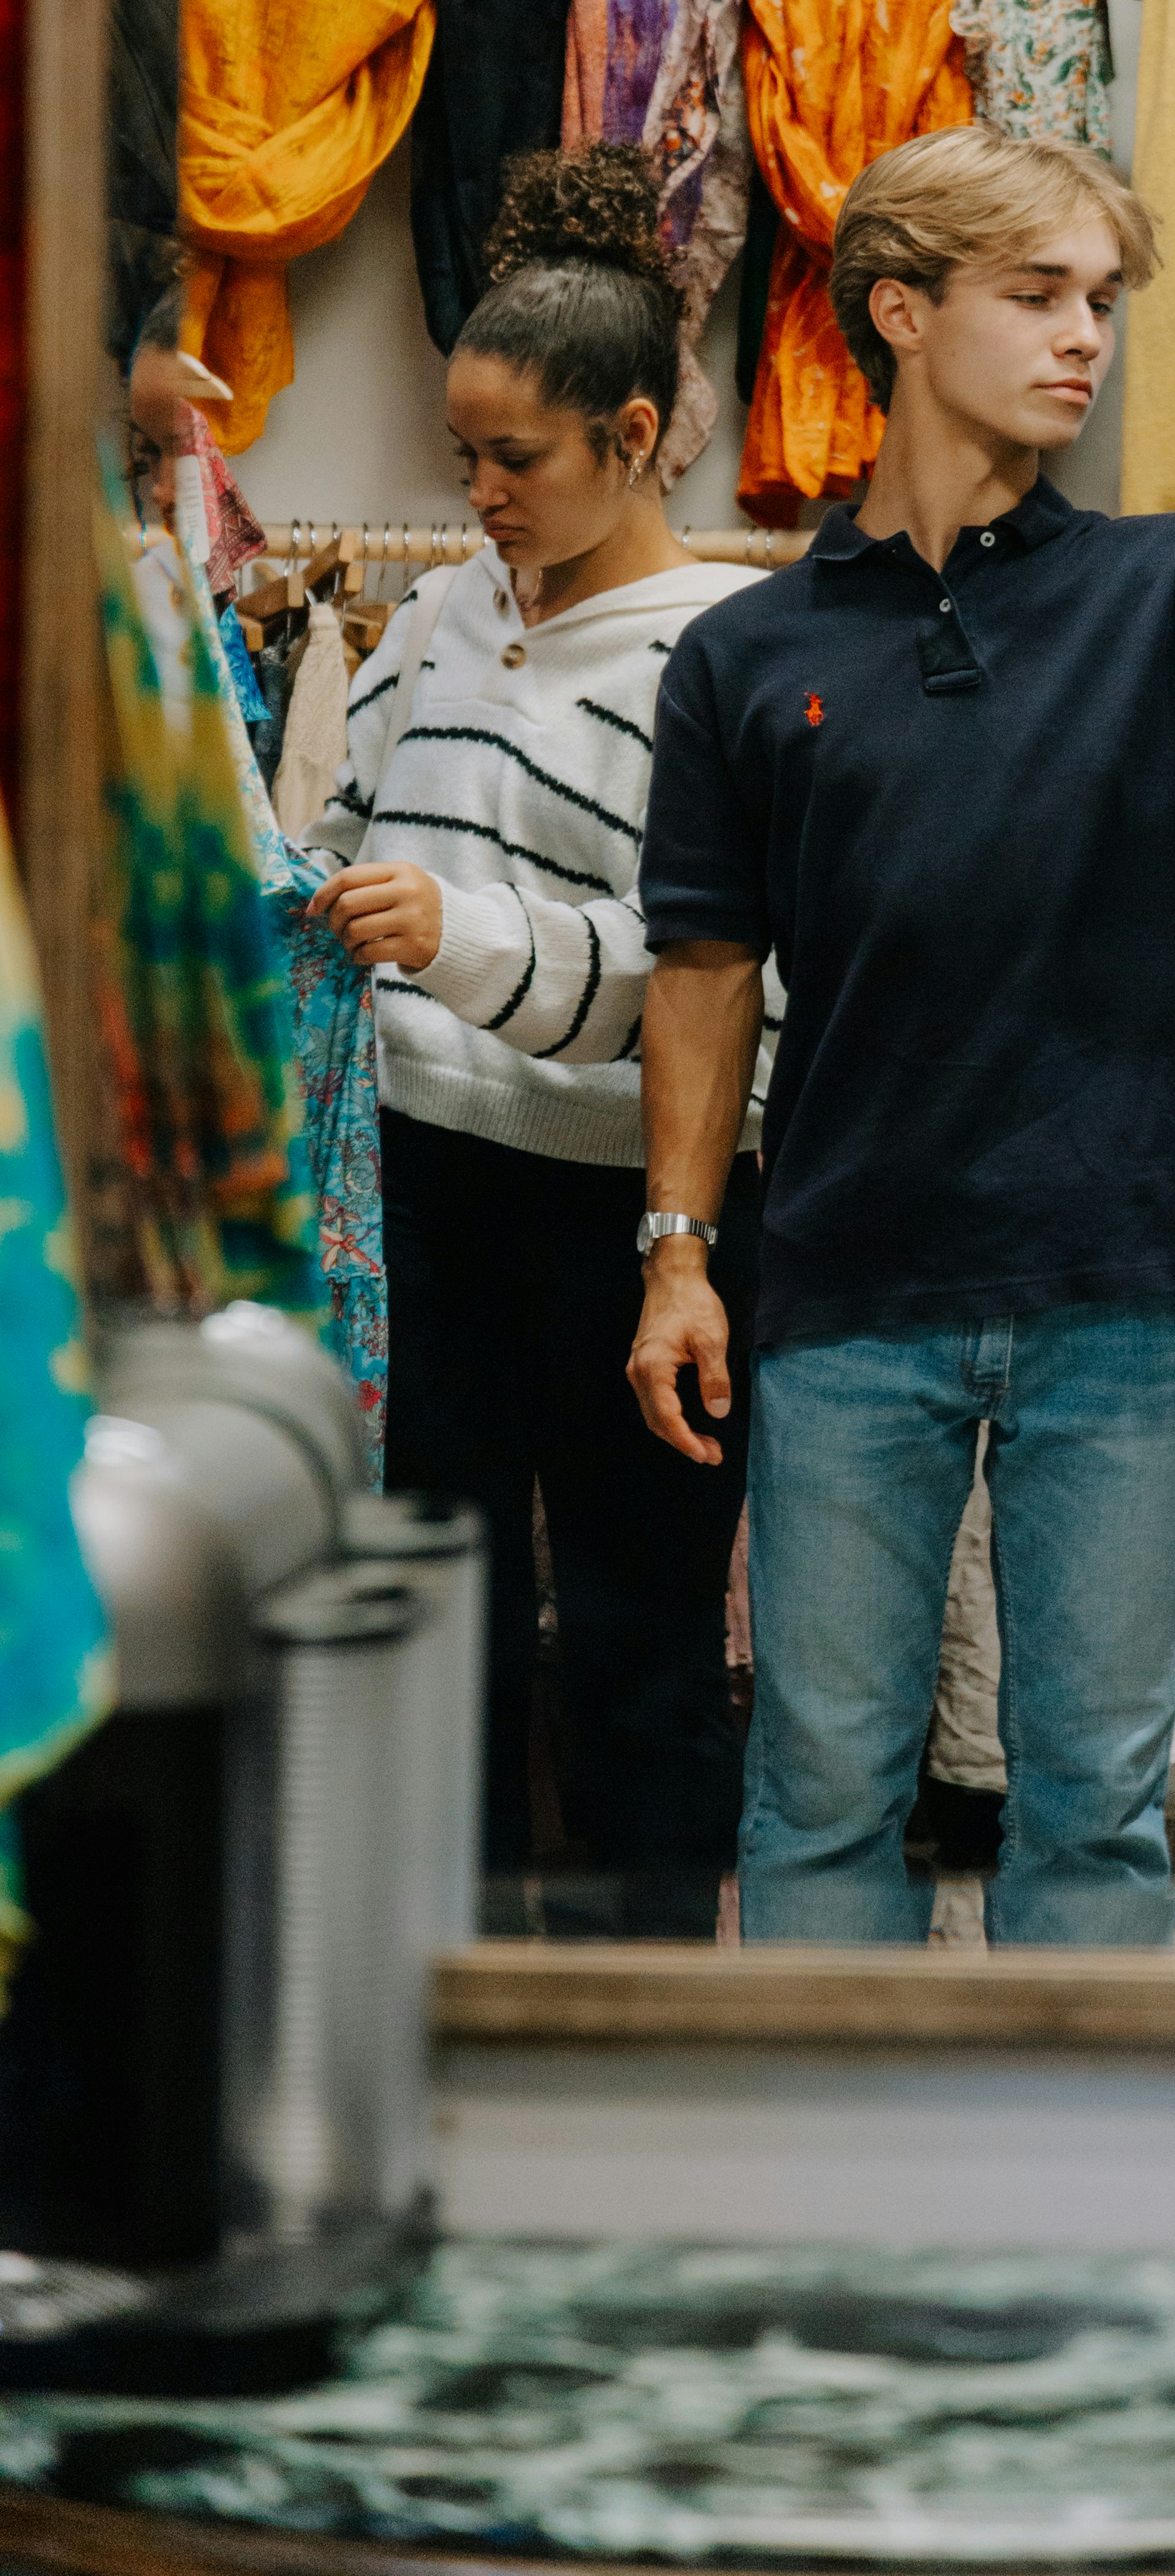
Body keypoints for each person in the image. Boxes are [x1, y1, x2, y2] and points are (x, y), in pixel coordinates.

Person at [628, 122, 1175, 1945]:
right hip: (848, 1282)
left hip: (1124, 1280)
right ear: (896, 309)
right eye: (1032, 295)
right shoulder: (744, 651)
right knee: (812, 1789)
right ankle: (819, 2208)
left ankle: (1067, 2210)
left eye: (1101, 300)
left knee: (1092, 1801)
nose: (1083, 338)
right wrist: (675, 1252)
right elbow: (703, 966)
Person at [303, 147, 769, 1938]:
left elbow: (717, 967)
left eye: (517, 459)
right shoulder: (434, 614)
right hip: (422, 1184)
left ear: (634, 431)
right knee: (442, 1609)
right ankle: (443, 1984)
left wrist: (462, 936)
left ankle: (645, 2011)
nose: (479, 492)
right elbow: (350, 831)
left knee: (648, 1633)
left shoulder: (724, 650)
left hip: (633, 1216)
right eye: (463, 456)